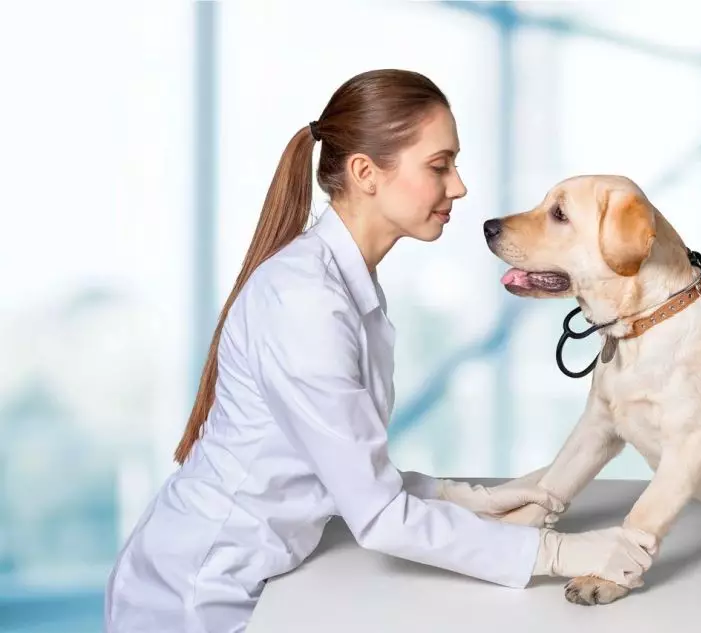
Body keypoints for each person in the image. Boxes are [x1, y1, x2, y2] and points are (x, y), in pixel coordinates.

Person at [104, 69, 655, 632]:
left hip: (258, 573)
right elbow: (379, 517)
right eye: (439, 166)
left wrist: (461, 498)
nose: (459, 186)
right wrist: (560, 555)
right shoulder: (304, 300)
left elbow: (342, 469)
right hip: (194, 594)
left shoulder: (342, 283)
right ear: (366, 173)